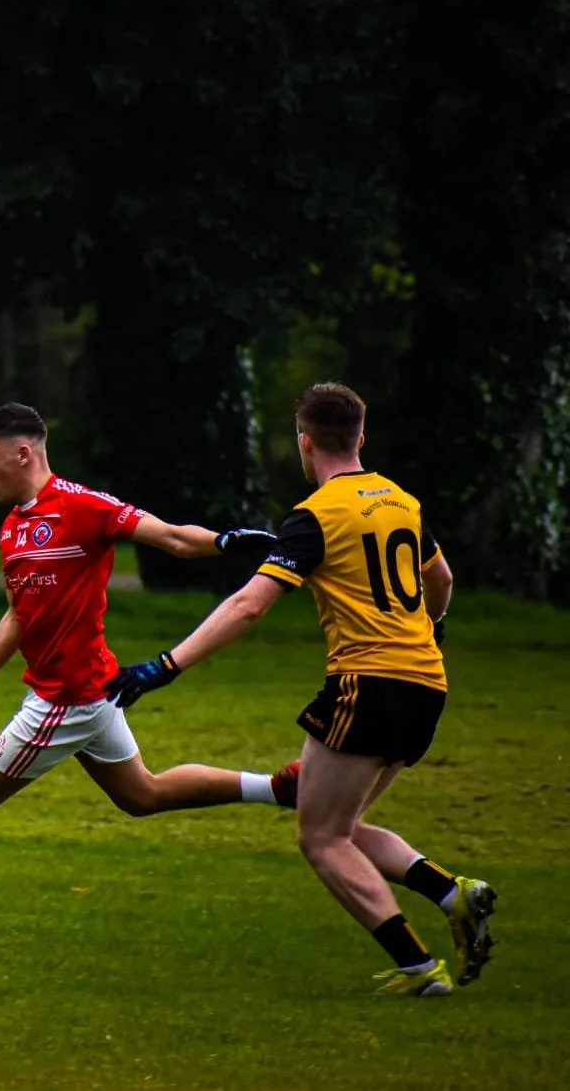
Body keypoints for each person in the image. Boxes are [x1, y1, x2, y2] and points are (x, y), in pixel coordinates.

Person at [104, 382, 493, 998]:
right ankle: (454, 894)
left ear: (304, 444)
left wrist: (164, 665)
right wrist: (433, 628)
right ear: (361, 438)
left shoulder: (315, 516)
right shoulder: (401, 501)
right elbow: (440, 578)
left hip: (367, 684)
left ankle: (420, 971)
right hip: (426, 685)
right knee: (343, 821)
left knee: (320, 837)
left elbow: (249, 606)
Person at [0, 402, 289, 947]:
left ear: (24, 453)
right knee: (143, 795)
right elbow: (21, 614)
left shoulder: (85, 508)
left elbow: (172, 537)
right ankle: (276, 788)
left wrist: (225, 542)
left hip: (68, 700)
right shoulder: (13, 529)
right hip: (92, 690)